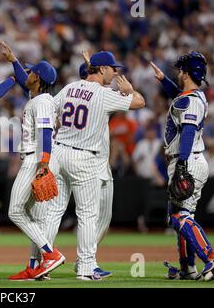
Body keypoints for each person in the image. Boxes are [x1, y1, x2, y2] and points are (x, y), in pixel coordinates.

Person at [52, 51, 145, 280]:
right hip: (85, 158)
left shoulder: (69, 88)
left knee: (53, 212)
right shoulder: (104, 94)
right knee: (87, 215)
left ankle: (38, 262)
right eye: (113, 68)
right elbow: (140, 102)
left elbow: (51, 112)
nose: (116, 73)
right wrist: (130, 89)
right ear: (102, 69)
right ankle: (85, 267)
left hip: (60, 152)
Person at [0, 42, 65, 281]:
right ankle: (35, 267)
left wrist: (43, 165)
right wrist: (13, 60)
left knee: (15, 211)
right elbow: (21, 80)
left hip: (38, 160)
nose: (26, 75)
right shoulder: (38, 97)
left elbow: (46, 133)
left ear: (36, 77)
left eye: (30, 72)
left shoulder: (43, 101)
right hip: (40, 159)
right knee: (37, 218)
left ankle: (50, 254)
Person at [150, 52, 214, 281]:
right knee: (181, 217)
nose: (178, 73)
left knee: (179, 217)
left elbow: (187, 133)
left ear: (186, 73)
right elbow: (179, 100)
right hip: (188, 160)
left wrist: (182, 165)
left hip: (186, 161)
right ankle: (188, 268)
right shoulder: (193, 97)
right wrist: (163, 80)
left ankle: (211, 257)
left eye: (180, 70)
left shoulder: (191, 101)